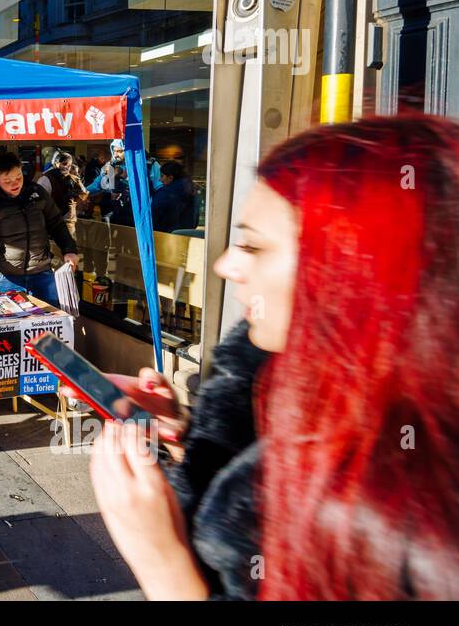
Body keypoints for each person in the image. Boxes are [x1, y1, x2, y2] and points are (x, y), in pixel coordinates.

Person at [85, 115, 459, 600]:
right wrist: (187, 435)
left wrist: (162, 563)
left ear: (353, 271)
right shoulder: (290, 380)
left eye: (253, 246)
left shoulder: (411, 516)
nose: (225, 265)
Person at [0, 151, 79, 308]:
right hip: (4, 278)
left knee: (48, 326)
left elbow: (56, 223)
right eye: (7, 181)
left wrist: (69, 249)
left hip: (42, 274)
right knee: (8, 329)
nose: (15, 184)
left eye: (18, 177)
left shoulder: (38, 193)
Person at [36, 150, 83, 236]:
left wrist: (74, 203)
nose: (67, 168)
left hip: (69, 221)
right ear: (56, 163)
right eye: (64, 164)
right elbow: (40, 204)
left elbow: (83, 194)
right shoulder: (46, 179)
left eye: (69, 165)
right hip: (53, 222)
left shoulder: (72, 178)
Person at [150, 160, 198, 232]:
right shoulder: (192, 191)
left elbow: (152, 217)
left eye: (162, 176)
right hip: (186, 237)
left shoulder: (164, 193)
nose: (160, 180)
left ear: (170, 178)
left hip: (164, 236)